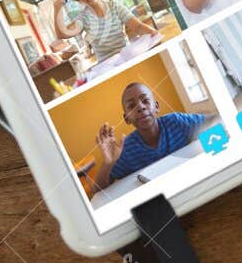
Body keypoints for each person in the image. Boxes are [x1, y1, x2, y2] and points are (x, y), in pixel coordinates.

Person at [88, 82, 216, 194]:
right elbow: (98, 192)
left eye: (145, 101)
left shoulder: (176, 121)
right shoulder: (125, 150)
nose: (140, 107)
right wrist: (108, 164)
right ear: (126, 118)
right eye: (132, 106)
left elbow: (213, 120)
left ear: (156, 107)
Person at [50, 0, 155, 61]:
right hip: (106, 65)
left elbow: (138, 27)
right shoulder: (83, 18)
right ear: (79, 0)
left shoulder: (115, 6)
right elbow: (62, 34)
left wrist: (155, 36)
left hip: (127, 56)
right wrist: (57, 6)